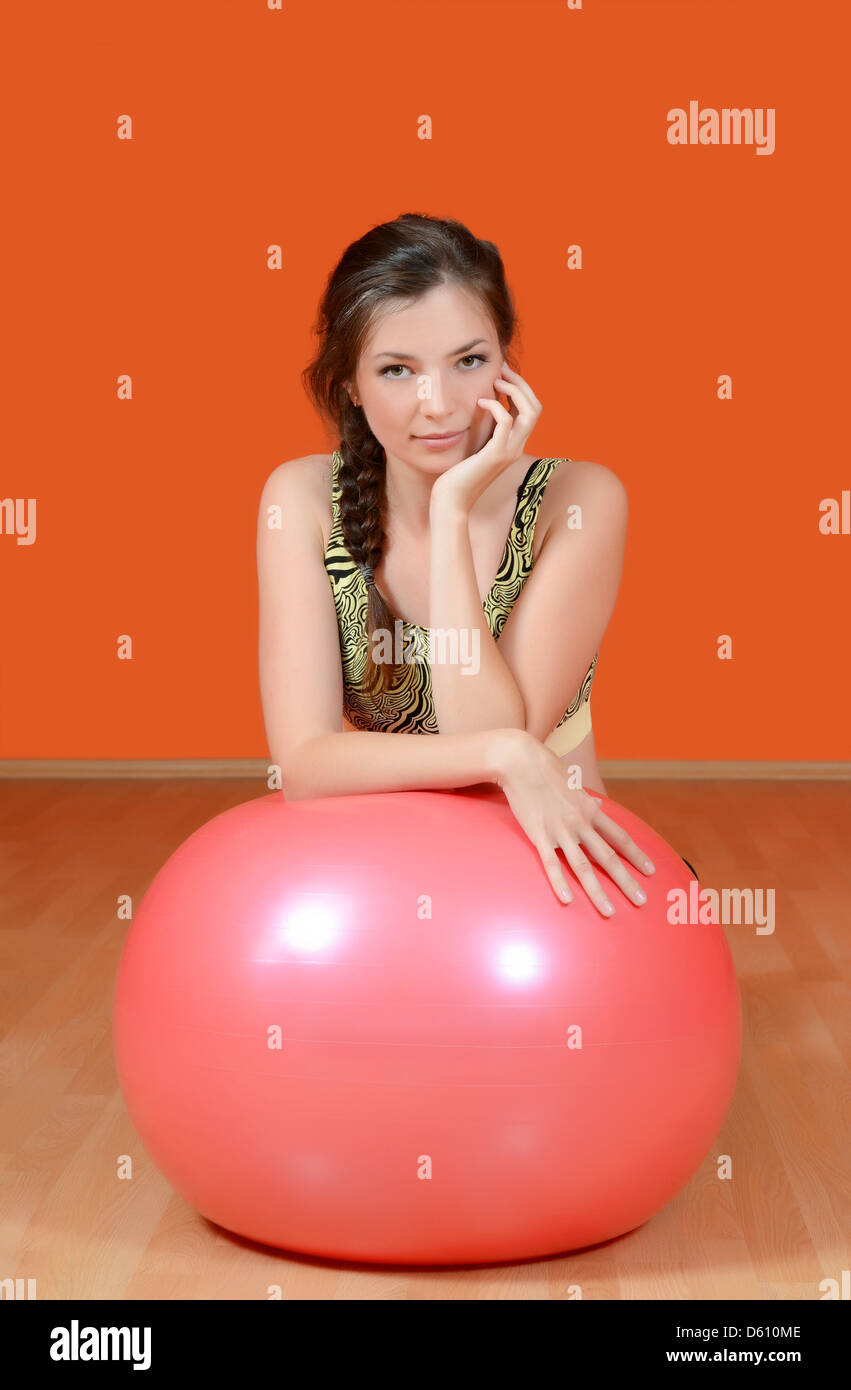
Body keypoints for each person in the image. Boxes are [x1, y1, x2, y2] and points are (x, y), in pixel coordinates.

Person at [257, 213, 661, 915]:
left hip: (555, 881)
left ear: (506, 361)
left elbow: (490, 729)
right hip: (392, 881)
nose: (438, 405)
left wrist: (448, 512)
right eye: (396, 370)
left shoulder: (579, 500)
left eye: (468, 361)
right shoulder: (300, 499)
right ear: (349, 384)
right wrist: (501, 757)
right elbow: (303, 763)